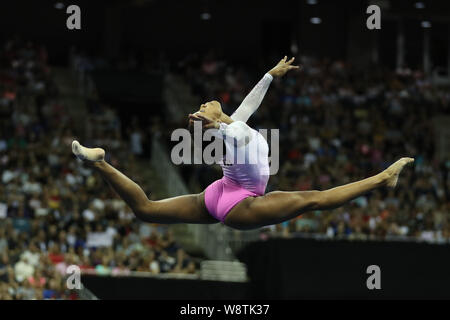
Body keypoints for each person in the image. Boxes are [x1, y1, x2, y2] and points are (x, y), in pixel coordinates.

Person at [72, 56, 414, 231]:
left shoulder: (233, 123)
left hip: (222, 191)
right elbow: (232, 130)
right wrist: (213, 123)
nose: (205, 102)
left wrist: (268, 75)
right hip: (239, 203)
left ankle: (100, 161)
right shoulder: (232, 132)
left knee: (146, 210)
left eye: (207, 103)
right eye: (205, 104)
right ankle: (383, 178)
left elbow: (248, 106)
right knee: (314, 200)